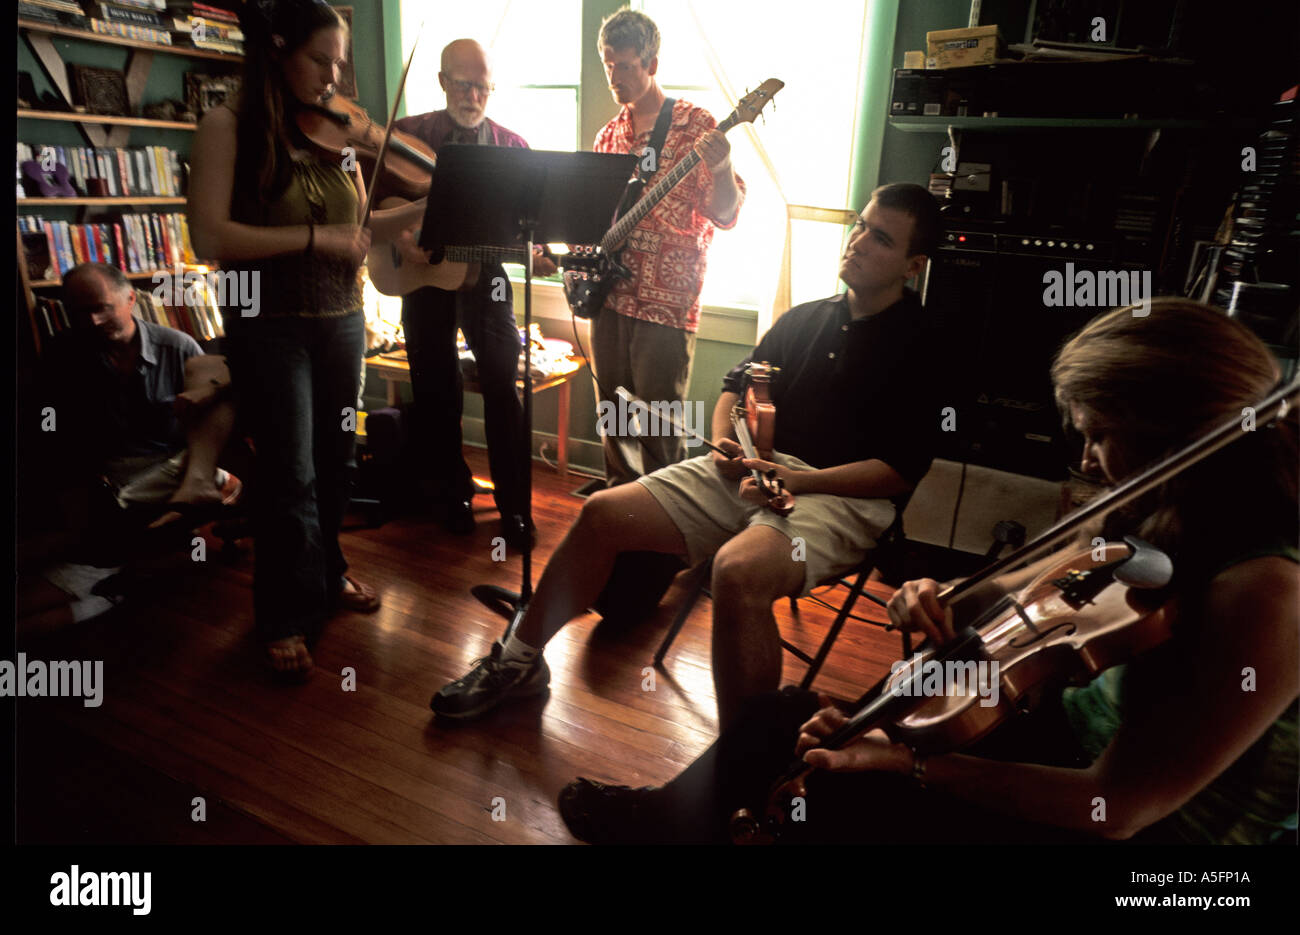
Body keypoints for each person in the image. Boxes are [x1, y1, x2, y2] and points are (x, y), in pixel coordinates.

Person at [556, 298, 1300, 846]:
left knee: (849, 790)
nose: (1086, 461)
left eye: (1100, 434)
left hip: (1159, 845)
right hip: (1062, 737)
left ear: (1172, 430)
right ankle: (675, 820)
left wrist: (906, 764)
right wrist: (942, 594)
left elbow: (1117, 805)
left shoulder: (1269, 589)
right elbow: (1028, 587)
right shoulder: (1167, 506)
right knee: (790, 719)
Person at [431, 183, 943, 727]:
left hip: (838, 496)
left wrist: (800, 482)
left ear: (913, 266)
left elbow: (898, 472)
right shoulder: (804, 319)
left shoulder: (926, 348)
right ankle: (519, 662)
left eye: (880, 238)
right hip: (753, 469)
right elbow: (734, 385)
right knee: (602, 511)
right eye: (861, 225)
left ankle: (739, 767)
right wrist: (726, 440)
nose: (859, 242)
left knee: (738, 572)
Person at [188, 0, 425, 675]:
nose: (334, 76)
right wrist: (316, 238)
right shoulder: (226, 127)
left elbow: (359, 236)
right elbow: (210, 237)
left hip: (341, 321)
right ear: (277, 50)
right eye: (322, 60)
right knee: (290, 470)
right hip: (272, 326)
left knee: (336, 460)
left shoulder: (337, 137)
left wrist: (429, 201)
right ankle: (282, 614)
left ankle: (326, 575)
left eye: (340, 62)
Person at [394, 39, 556, 548]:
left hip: (486, 278)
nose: (473, 94)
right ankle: (452, 493)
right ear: (442, 81)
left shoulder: (513, 148)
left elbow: (534, 229)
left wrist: (542, 252)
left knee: (504, 387)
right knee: (435, 389)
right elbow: (372, 203)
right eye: (463, 83)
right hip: (424, 280)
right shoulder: (405, 136)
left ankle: (514, 508)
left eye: (482, 86)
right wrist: (404, 239)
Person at [21, 262, 241, 630]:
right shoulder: (63, 353)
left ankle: (107, 563)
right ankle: (111, 567)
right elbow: (48, 428)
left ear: (130, 299)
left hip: (168, 464)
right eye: (78, 312)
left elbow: (219, 413)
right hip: (100, 470)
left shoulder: (178, 347)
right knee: (64, 521)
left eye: (101, 307)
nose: (91, 321)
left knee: (198, 470)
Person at [587, 8, 745, 486]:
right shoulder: (608, 135)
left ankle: (665, 526)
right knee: (614, 418)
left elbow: (726, 213)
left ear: (652, 64)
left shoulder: (697, 124)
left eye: (626, 66)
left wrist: (720, 170)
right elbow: (597, 216)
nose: (614, 77)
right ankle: (619, 511)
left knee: (659, 426)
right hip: (609, 296)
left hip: (666, 304)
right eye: (607, 64)